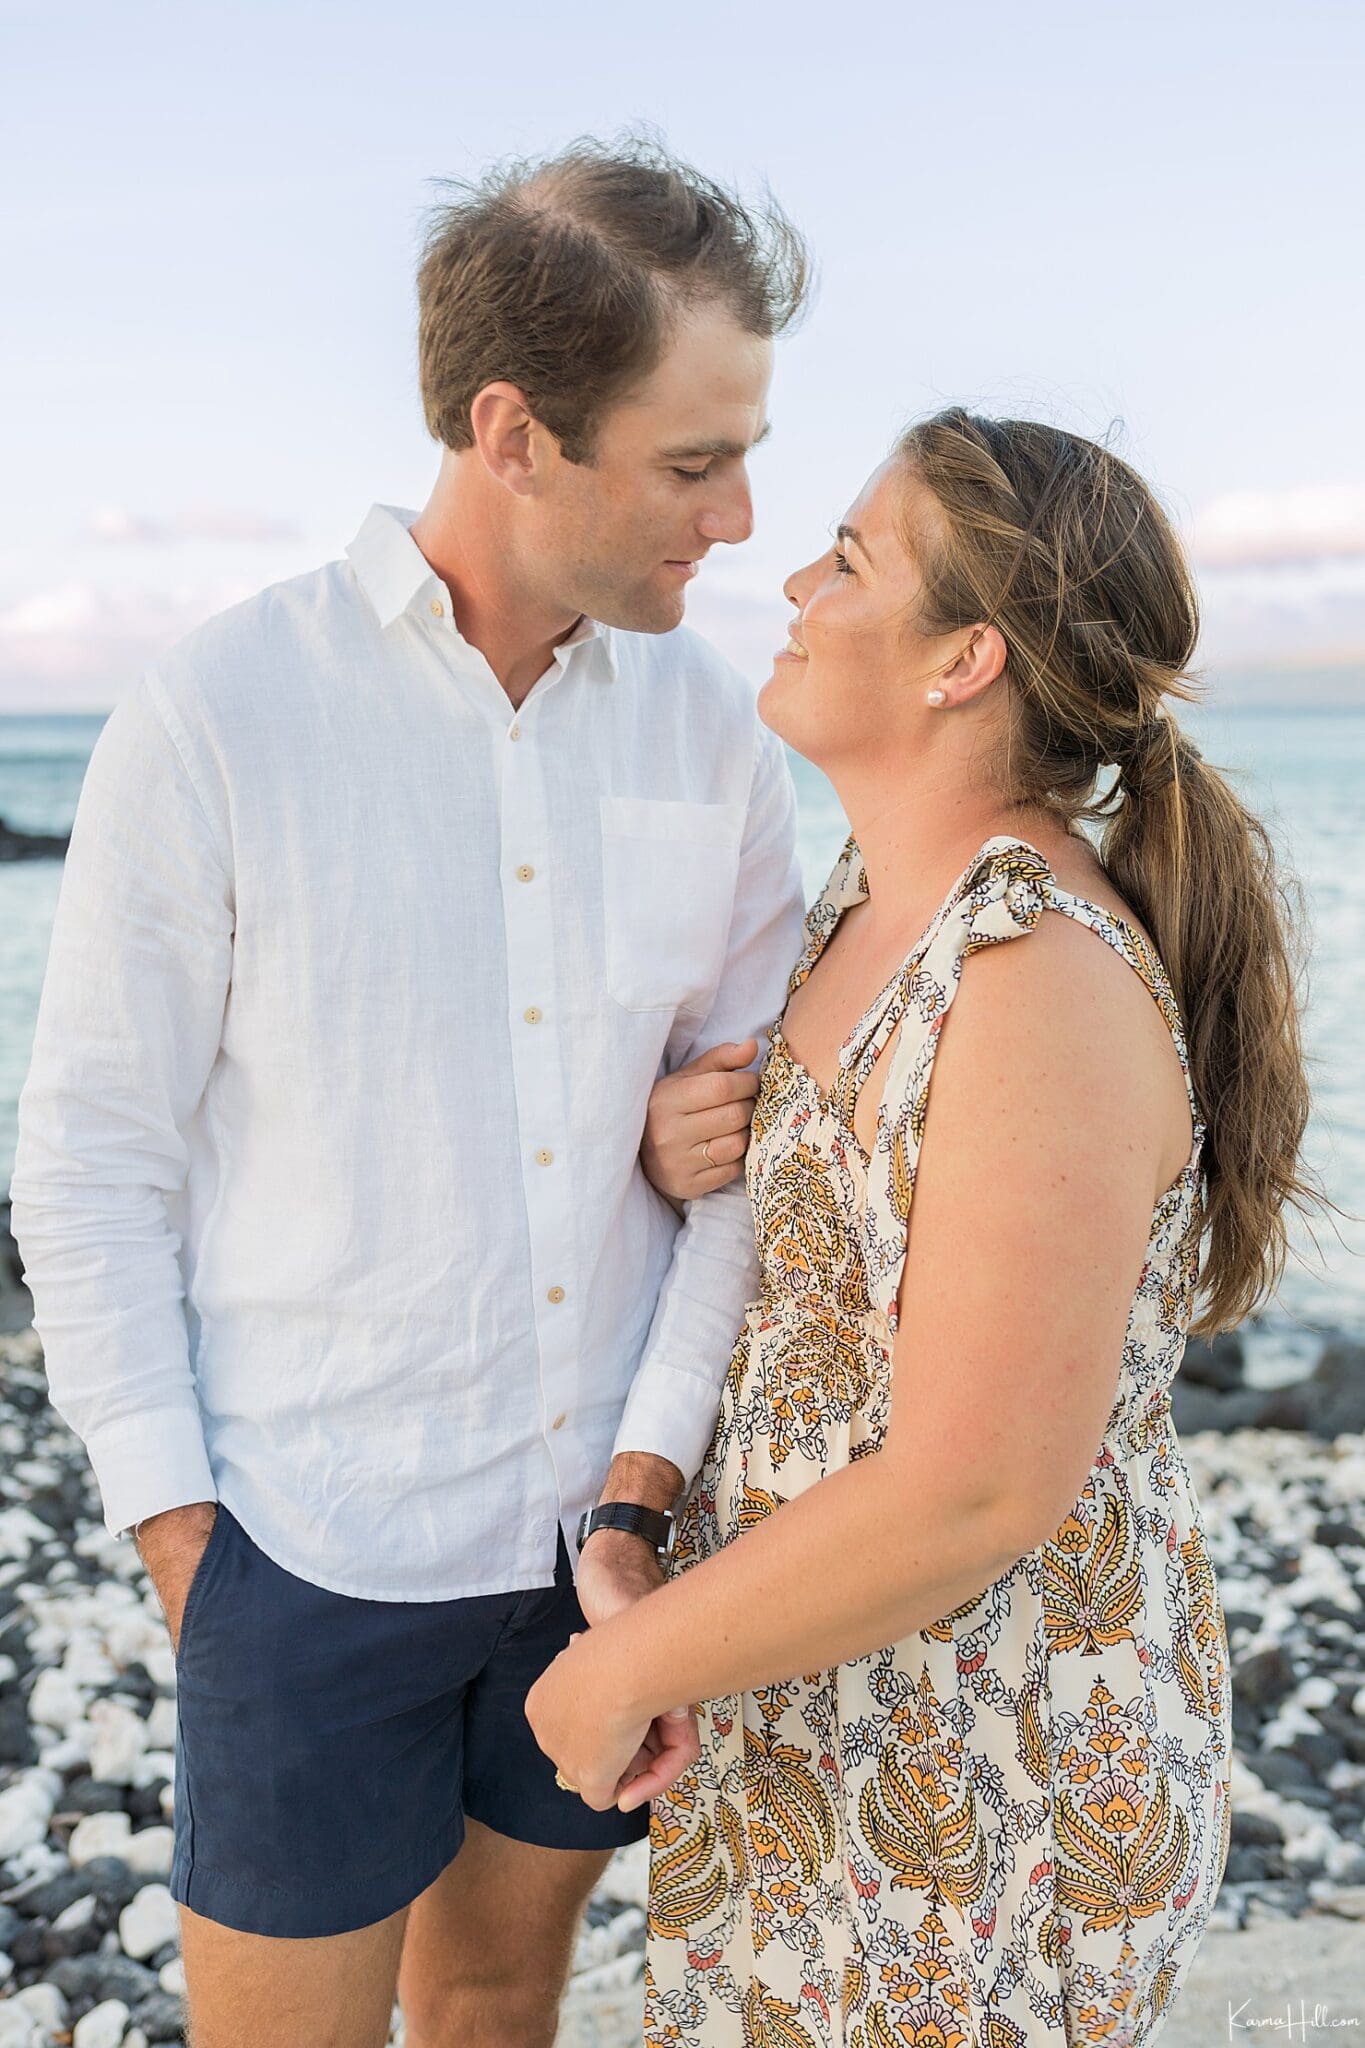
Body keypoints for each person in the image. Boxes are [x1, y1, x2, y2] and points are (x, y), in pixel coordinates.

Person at [9, 138, 810, 2048]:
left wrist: (643, 1492)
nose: (741, 516)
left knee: (498, 2009)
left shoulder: (716, 732)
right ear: (515, 433)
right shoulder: (221, 712)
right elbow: (95, 1158)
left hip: (592, 1550)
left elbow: (737, 1165)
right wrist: (183, 1541)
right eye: (692, 463)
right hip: (304, 1540)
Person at [526, 409, 1329, 2046]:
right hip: (818, 1705)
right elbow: (825, 1269)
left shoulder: (1030, 974)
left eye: (846, 559)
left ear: (964, 660)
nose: (792, 587)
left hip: (994, 1757)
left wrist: (614, 1669)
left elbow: (976, 1484)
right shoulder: (868, 905)